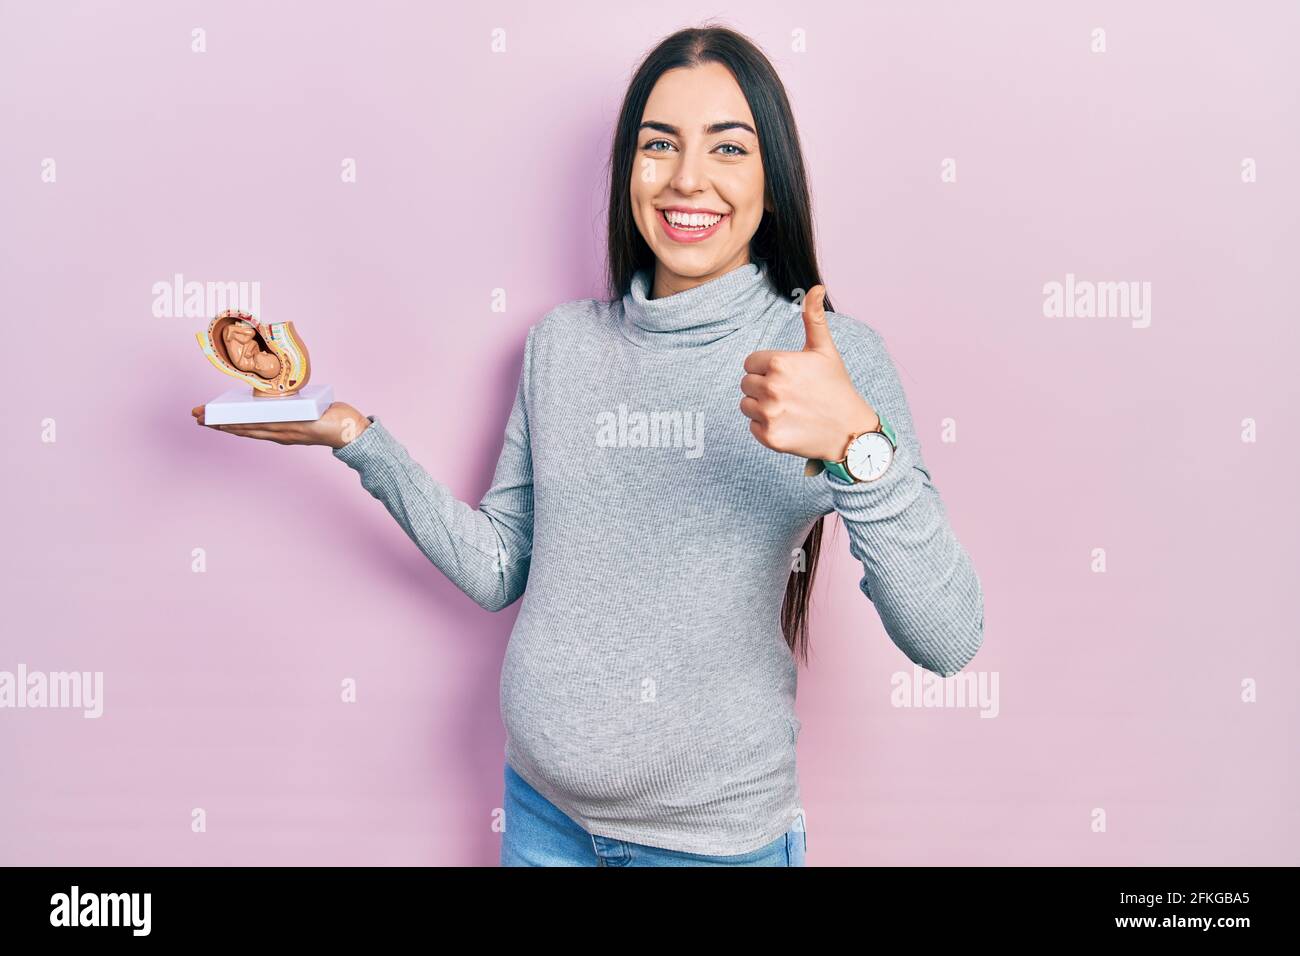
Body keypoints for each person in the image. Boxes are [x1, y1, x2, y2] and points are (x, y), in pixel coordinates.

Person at [191, 24, 984, 867]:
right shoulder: (561, 347)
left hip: (711, 849)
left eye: (728, 148)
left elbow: (948, 637)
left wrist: (859, 446)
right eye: (659, 145)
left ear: (773, 181)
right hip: (541, 822)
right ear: (628, 173)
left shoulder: (828, 359)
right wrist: (358, 440)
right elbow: (502, 568)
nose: (687, 179)